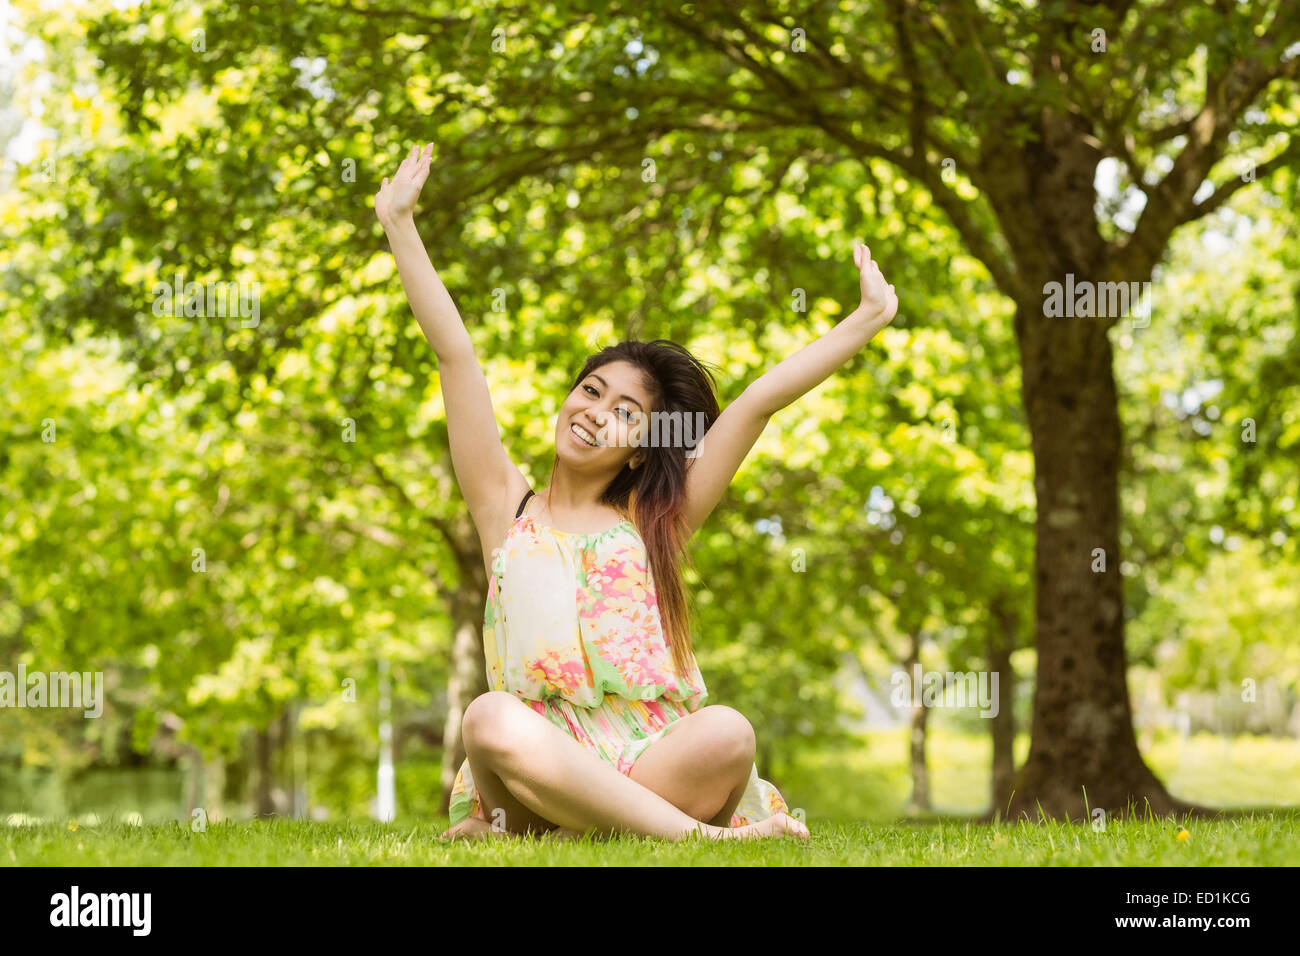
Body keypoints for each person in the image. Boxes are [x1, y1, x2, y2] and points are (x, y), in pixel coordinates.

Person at [374, 143, 898, 843]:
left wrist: (863, 320)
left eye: (626, 412)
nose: (596, 410)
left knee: (728, 734)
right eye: (591, 390)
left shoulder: (655, 519)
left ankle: (580, 837)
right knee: (488, 718)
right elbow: (455, 353)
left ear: (644, 446)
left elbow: (753, 407)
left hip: (652, 757)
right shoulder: (506, 504)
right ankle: (699, 840)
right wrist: (399, 223)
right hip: (532, 768)